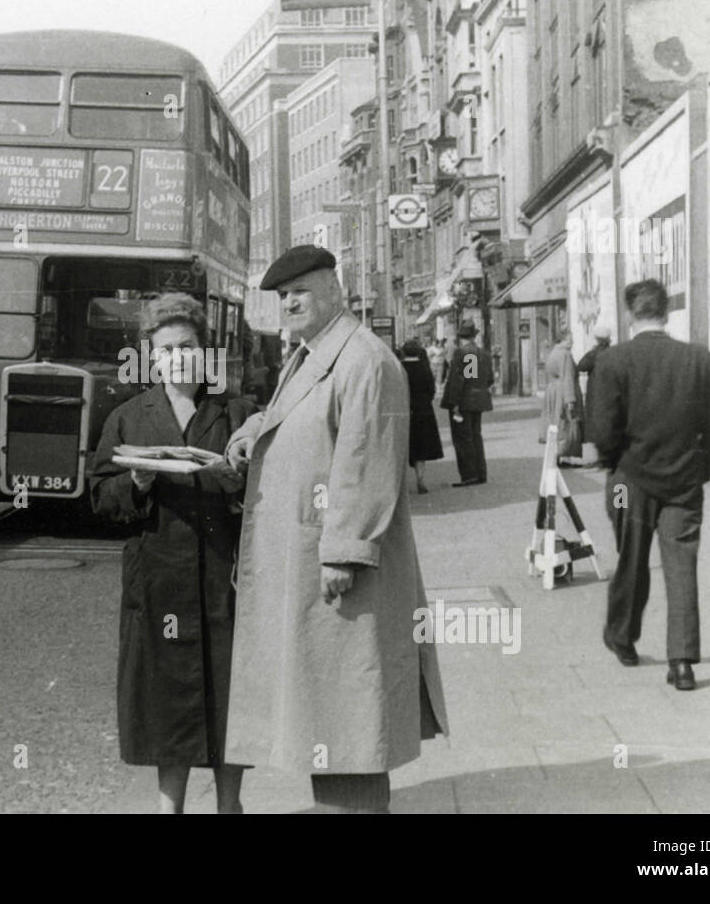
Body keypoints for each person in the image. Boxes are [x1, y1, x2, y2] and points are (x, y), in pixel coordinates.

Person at [222, 245, 448, 813]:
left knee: (349, 730)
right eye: (281, 296)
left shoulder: (365, 359)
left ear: (333, 290)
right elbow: (304, 416)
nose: (290, 303)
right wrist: (256, 428)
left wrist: (344, 553)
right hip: (312, 574)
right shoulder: (312, 353)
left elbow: (366, 461)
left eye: (301, 291)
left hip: (341, 579)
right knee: (329, 725)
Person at [89, 293, 256, 813]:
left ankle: (230, 806)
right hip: (158, 581)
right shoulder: (128, 418)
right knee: (166, 702)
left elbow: (269, 493)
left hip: (222, 580)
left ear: (203, 351)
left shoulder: (236, 411)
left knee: (229, 698)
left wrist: (237, 484)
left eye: (186, 347)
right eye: (165, 351)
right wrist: (136, 482)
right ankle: (170, 809)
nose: (177, 358)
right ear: (151, 357)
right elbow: (100, 497)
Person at [590, 279, 710, 691]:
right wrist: (700, 469)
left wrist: (616, 462)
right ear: (666, 314)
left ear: (631, 314)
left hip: (628, 481)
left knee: (630, 559)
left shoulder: (612, 362)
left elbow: (601, 430)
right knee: (682, 567)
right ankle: (683, 661)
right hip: (685, 482)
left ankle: (623, 638)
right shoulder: (701, 360)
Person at [440, 319, 494, 486]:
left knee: (464, 439)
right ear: (474, 336)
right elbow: (490, 379)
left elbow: (460, 380)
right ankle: (480, 473)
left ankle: (469, 474)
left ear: (461, 337)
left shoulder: (465, 353)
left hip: (465, 401)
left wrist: (455, 403)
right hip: (479, 400)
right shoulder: (484, 354)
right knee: (476, 436)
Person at [396, 338, 444, 493]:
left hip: (402, 410)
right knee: (421, 448)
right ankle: (420, 479)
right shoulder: (424, 368)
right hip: (423, 411)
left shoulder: (398, 368)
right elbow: (431, 390)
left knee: (403, 446)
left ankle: (401, 484)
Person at [540, 325, 584, 464]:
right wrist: (570, 399)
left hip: (553, 391)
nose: (572, 342)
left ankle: (557, 454)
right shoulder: (565, 354)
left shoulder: (553, 353)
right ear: (563, 340)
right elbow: (568, 377)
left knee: (555, 422)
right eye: (570, 339)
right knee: (566, 423)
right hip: (562, 392)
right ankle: (564, 455)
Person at [577, 323, 612, 449]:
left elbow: (581, 366)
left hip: (595, 392)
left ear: (597, 339)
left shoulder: (593, 354)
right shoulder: (613, 352)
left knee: (595, 421)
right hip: (610, 391)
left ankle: (598, 451)